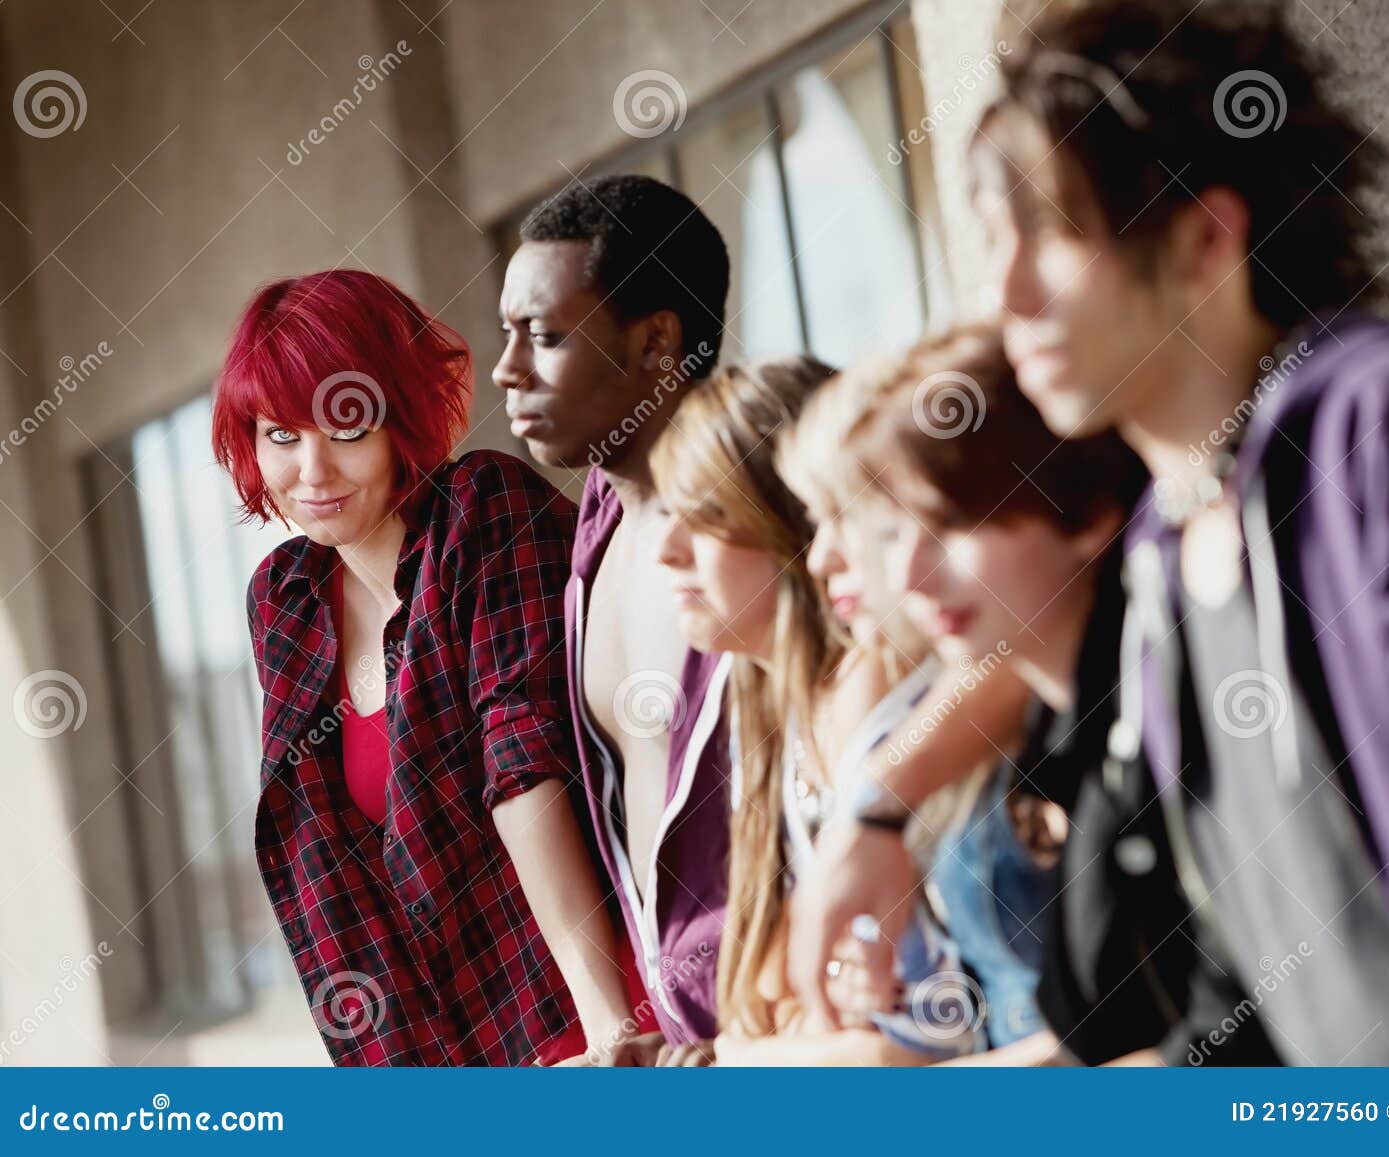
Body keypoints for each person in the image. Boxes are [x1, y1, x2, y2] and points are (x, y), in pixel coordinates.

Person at [974, 0, 1389, 1064]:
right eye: (994, 240)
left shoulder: (1386, 416)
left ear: (1203, 238)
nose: (1005, 292)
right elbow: (1252, 990)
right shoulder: (1159, 554)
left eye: (1053, 234)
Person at [214, 269, 634, 1064]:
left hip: (576, 1010)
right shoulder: (285, 598)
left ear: (400, 414)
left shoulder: (481, 511)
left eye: (345, 428)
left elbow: (525, 766)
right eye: (282, 435)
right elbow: (330, 873)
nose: (313, 470)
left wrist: (608, 1025)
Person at [842, 322, 1277, 1066]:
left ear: (1085, 513)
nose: (910, 574)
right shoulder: (1064, 734)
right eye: (894, 533)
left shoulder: (1184, 714)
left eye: (952, 523)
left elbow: (1235, 1053)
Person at [652, 356, 986, 1064]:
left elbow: (898, 1048)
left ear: (786, 523)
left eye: (703, 517)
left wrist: (734, 1060)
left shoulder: (877, 682)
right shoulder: (777, 707)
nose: (667, 550)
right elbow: (781, 990)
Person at [493, 175, 732, 1064]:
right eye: (508, 333)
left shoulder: (763, 529)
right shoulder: (591, 537)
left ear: (656, 340)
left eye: (545, 336)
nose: (507, 369)